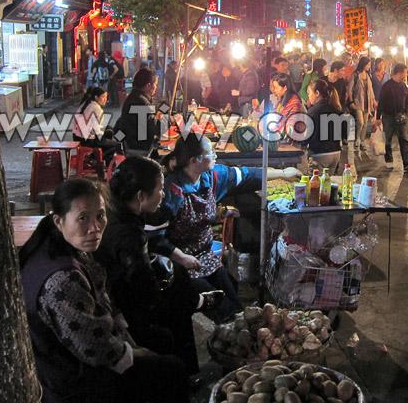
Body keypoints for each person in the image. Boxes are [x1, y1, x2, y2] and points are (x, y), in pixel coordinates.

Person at [19, 178, 189, 403]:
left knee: (161, 340)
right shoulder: (62, 279)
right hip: (72, 381)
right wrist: (133, 352)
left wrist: (128, 338)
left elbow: (104, 299)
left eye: (100, 215)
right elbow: (95, 349)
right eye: (83, 218)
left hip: (82, 351)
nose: (95, 227)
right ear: (59, 221)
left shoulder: (59, 245)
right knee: (172, 369)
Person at [97, 157, 224, 378]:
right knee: (180, 301)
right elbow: (144, 291)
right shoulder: (128, 234)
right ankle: (186, 372)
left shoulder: (116, 211)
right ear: (140, 196)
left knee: (179, 274)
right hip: (125, 308)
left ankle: (196, 302)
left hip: (121, 291)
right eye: (160, 189)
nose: (163, 194)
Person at [154, 136, 300, 321]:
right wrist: (181, 257)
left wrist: (283, 173)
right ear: (194, 160)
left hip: (206, 257)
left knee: (235, 306)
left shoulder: (212, 177)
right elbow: (155, 237)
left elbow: (246, 174)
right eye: (210, 152)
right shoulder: (172, 191)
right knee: (220, 309)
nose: (215, 155)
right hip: (180, 264)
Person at [378, 63, 408, 172]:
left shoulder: (403, 85)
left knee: (404, 138)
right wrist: (377, 117)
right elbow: (381, 102)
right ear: (399, 73)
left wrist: (405, 113)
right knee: (388, 139)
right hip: (388, 117)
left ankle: (407, 163)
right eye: (405, 72)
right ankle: (389, 160)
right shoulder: (386, 86)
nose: (406, 75)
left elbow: (406, 100)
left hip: (402, 116)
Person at [116, 68, 161, 155]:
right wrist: (168, 120)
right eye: (155, 84)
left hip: (132, 142)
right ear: (148, 85)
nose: (156, 87)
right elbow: (155, 129)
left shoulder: (133, 96)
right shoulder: (141, 101)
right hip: (140, 147)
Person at [304, 79, 345, 172]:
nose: (308, 96)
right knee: (329, 179)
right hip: (336, 153)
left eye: (309, 93)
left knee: (316, 180)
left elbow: (306, 136)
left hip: (319, 154)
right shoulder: (336, 109)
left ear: (317, 93)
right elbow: (344, 133)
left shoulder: (313, 111)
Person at [72, 87, 122, 163]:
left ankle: (98, 157)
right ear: (96, 97)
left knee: (109, 129)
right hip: (88, 141)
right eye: (103, 97)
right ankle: (97, 159)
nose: (105, 99)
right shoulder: (96, 108)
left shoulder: (85, 104)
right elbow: (98, 132)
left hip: (77, 138)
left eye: (106, 97)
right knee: (117, 145)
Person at [347, 56, 377, 155]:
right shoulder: (355, 75)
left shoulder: (368, 75)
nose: (369, 66)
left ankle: (362, 141)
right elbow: (350, 89)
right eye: (368, 64)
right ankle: (357, 140)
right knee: (360, 122)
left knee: (365, 123)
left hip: (367, 102)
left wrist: (373, 100)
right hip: (358, 101)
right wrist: (351, 101)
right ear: (363, 64)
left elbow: (371, 90)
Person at [271, 72, 304, 139]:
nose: (274, 90)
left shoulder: (294, 103)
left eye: (276, 88)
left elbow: (291, 126)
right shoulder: (282, 100)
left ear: (285, 88)